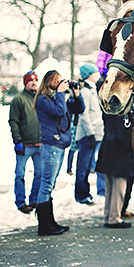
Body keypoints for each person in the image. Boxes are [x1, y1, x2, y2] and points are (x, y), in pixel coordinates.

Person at [34, 69, 85, 236]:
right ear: (49, 82)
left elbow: (79, 109)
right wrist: (62, 94)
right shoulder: (43, 99)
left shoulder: (58, 97)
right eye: (58, 81)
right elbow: (58, 112)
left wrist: (76, 95)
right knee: (46, 184)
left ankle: (50, 222)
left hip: (59, 145)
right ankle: (44, 225)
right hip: (51, 145)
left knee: (50, 184)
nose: (61, 84)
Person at [95, 113, 134, 228]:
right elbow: (124, 138)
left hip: (108, 151)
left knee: (109, 188)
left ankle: (108, 216)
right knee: (119, 189)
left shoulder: (110, 112)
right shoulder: (125, 116)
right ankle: (114, 218)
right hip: (120, 157)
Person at [8, 71, 42, 214]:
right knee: (20, 174)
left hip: (40, 143)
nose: (33, 83)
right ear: (25, 83)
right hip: (24, 144)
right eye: (30, 81)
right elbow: (13, 121)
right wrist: (17, 140)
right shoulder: (19, 100)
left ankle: (34, 199)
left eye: (35, 81)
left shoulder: (40, 99)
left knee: (40, 174)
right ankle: (20, 202)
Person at [74, 63, 104, 205]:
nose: (97, 74)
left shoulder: (92, 89)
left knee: (87, 166)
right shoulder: (86, 92)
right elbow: (84, 114)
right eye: (95, 72)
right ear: (89, 75)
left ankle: (85, 193)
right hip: (87, 135)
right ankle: (81, 194)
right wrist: (91, 134)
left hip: (95, 134)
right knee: (83, 166)